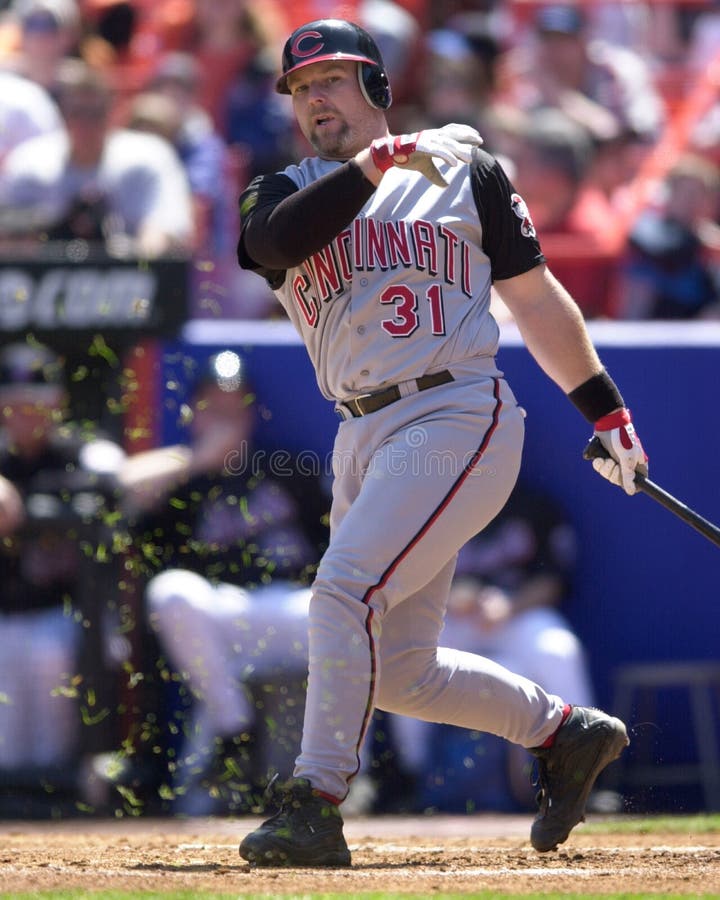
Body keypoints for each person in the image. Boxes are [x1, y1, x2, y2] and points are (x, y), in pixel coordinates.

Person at [235, 18, 646, 867]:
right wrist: (366, 170)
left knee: (340, 591)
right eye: (302, 89)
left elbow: (534, 302)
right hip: (362, 430)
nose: (316, 100)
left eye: (334, 81)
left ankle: (312, 800)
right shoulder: (277, 190)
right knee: (396, 671)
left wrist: (605, 410)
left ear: (378, 87)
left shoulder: (465, 170)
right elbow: (274, 245)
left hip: (455, 410)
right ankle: (562, 732)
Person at [117, 349, 329, 814]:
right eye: (215, 405)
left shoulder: (288, 464)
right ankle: (236, 731)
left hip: (294, 609)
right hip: (226, 615)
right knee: (171, 592)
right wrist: (197, 461)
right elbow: (118, 490)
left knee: (352, 617)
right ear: (195, 413)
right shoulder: (182, 479)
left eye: (236, 405)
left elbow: (338, 543)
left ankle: (370, 778)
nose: (227, 416)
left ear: (251, 412)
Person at [382, 479, 595, 813]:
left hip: (519, 615)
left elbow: (555, 578)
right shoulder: (433, 501)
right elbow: (405, 576)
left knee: (558, 651)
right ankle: (415, 776)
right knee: (402, 658)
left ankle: (585, 774)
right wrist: (452, 597)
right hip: (451, 617)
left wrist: (512, 605)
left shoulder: (534, 504)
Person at [0, 341, 124, 789]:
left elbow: (116, 484)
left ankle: (65, 787)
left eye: (36, 406)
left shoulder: (83, 454)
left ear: (56, 406)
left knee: (48, 654)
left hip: (66, 615)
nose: (24, 416)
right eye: (13, 407)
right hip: (8, 615)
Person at [0, 57, 194, 257]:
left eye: (95, 114)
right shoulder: (28, 165)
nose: (86, 124)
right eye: (78, 113)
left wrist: (133, 261)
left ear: (112, 115)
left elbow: (166, 229)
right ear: (64, 116)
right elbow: (8, 243)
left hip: (126, 282)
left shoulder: (148, 160)